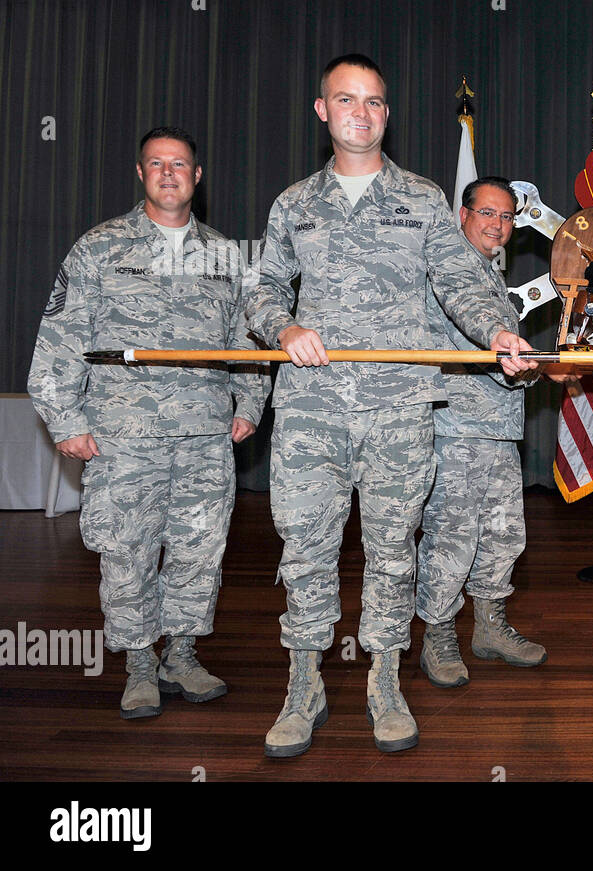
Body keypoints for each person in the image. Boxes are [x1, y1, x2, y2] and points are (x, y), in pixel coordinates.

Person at [244, 54, 536, 757]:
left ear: (386, 113)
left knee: (392, 551)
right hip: (312, 409)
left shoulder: (424, 199)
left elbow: (460, 278)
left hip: (400, 407)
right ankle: (304, 681)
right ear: (323, 111)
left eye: (374, 102)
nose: (362, 113)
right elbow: (259, 291)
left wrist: (494, 329)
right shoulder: (294, 204)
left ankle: (384, 679)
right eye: (346, 100)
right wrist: (282, 328)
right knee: (307, 549)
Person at [28, 126, 267, 719]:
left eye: (180, 164)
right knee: (127, 550)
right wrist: (65, 420)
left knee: (199, 548)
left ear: (197, 176)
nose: (168, 173)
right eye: (156, 164)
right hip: (121, 434)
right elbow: (60, 339)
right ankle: (138, 663)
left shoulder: (226, 257)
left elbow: (250, 342)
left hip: (205, 433)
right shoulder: (99, 248)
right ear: (140, 174)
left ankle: (181, 654)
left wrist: (249, 404)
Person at [417, 176, 547, 688]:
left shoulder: (488, 271)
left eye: (507, 216)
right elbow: (480, 329)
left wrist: (538, 364)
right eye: (488, 213)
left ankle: (489, 625)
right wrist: (533, 362)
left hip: (495, 425)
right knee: (451, 536)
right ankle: (439, 634)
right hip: (456, 426)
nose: (498, 224)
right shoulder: (452, 269)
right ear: (462, 216)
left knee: (502, 532)